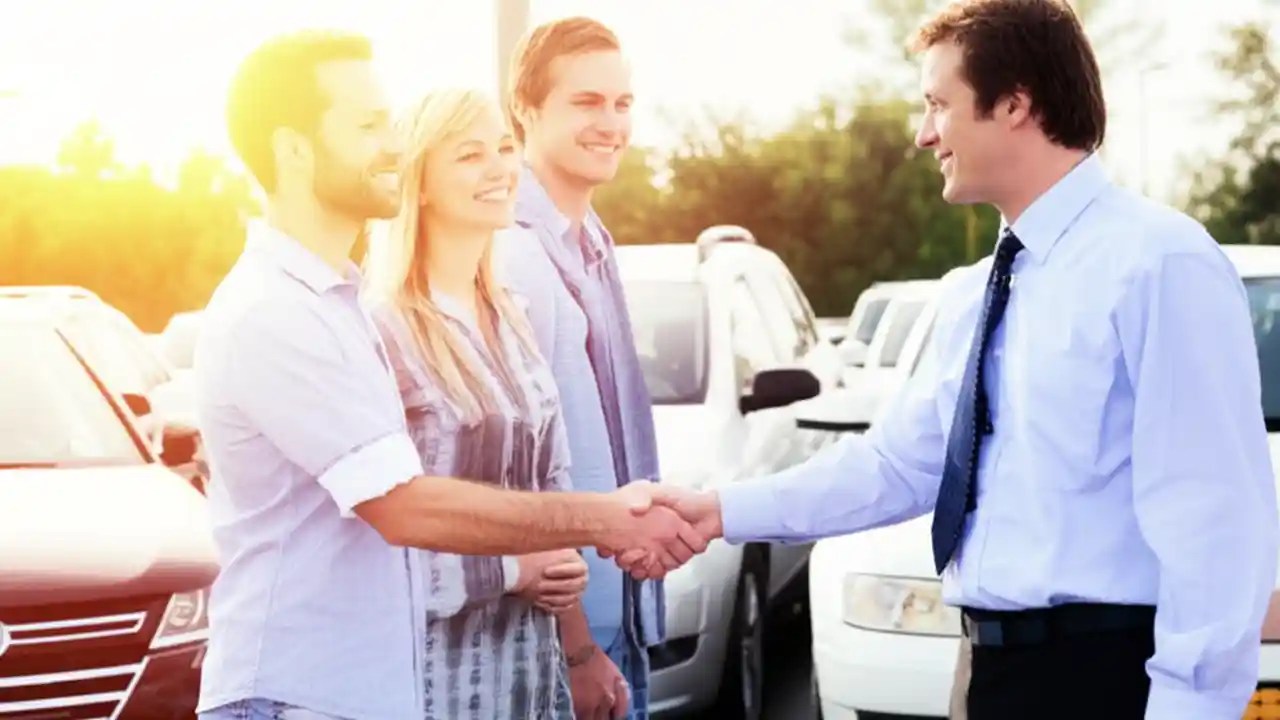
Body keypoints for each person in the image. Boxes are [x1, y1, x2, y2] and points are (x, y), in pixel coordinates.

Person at [622, 1, 1280, 718]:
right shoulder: (974, 292)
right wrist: (715, 511)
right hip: (989, 672)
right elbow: (897, 468)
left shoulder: (1161, 262)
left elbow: (1214, 518)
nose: (923, 133)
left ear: (1016, 104)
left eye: (939, 103)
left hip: (1107, 679)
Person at [193, 30, 704, 720]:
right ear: (293, 149)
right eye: (371, 125)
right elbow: (406, 507)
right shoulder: (276, 313)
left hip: (376, 691)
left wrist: (575, 622)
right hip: (298, 697)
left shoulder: (333, 303)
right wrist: (605, 520)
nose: (394, 146)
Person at [361, 87, 593, 719]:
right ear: (421, 184)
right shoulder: (380, 328)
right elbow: (372, 540)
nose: (499, 168)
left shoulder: (510, 312)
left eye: (505, 147)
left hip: (529, 676)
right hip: (433, 685)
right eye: (470, 155)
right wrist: (515, 570)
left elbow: (551, 488)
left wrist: (576, 634)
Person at [496, 16, 663, 720]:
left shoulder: (589, 238)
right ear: (526, 111)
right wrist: (575, 650)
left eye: (622, 103)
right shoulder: (510, 252)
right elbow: (521, 468)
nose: (612, 123)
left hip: (616, 610)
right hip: (560, 635)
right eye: (587, 103)